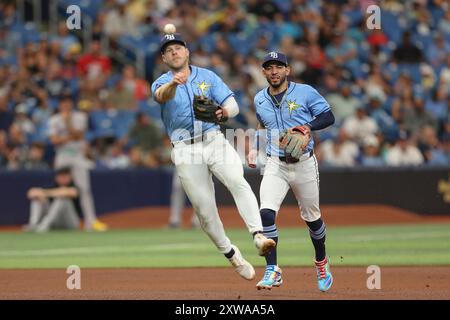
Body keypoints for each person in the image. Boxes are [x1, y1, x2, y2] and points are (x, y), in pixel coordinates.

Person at [151, 32, 275, 281]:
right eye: (169, 50)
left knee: (237, 181)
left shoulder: (207, 76)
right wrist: (174, 83)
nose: (174, 52)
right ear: (164, 58)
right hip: (185, 149)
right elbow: (160, 96)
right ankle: (232, 255)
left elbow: (233, 105)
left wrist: (222, 112)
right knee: (205, 212)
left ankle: (258, 235)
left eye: (178, 47)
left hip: (213, 139)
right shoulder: (161, 82)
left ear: (187, 52)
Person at [246, 52, 335, 291]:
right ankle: (272, 270)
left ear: (288, 70)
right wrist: (255, 148)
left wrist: (308, 126)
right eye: (269, 67)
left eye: (278, 66)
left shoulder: (305, 92)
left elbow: (329, 116)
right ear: (263, 72)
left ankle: (321, 262)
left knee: (312, 219)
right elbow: (262, 123)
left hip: (304, 163)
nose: (274, 71)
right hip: (276, 162)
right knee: (265, 212)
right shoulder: (259, 99)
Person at [48, 94, 108, 231]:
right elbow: (54, 141)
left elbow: (79, 135)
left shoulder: (80, 117)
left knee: (84, 189)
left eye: (68, 103)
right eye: (63, 104)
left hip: (77, 155)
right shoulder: (54, 120)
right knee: (59, 188)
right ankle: (51, 221)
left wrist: (67, 125)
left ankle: (90, 222)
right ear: (59, 105)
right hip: (62, 155)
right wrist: (70, 136)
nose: (66, 106)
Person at [23, 167, 82, 233]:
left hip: (71, 223)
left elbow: (70, 192)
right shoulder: (53, 186)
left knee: (62, 200)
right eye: (60, 176)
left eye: (65, 176)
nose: (63, 178)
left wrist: (45, 193)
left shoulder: (74, 186)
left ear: (70, 177)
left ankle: (44, 225)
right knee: (37, 200)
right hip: (54, 223)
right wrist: (43, 195)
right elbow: (31, 193)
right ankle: (33, 224)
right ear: (56, 177)